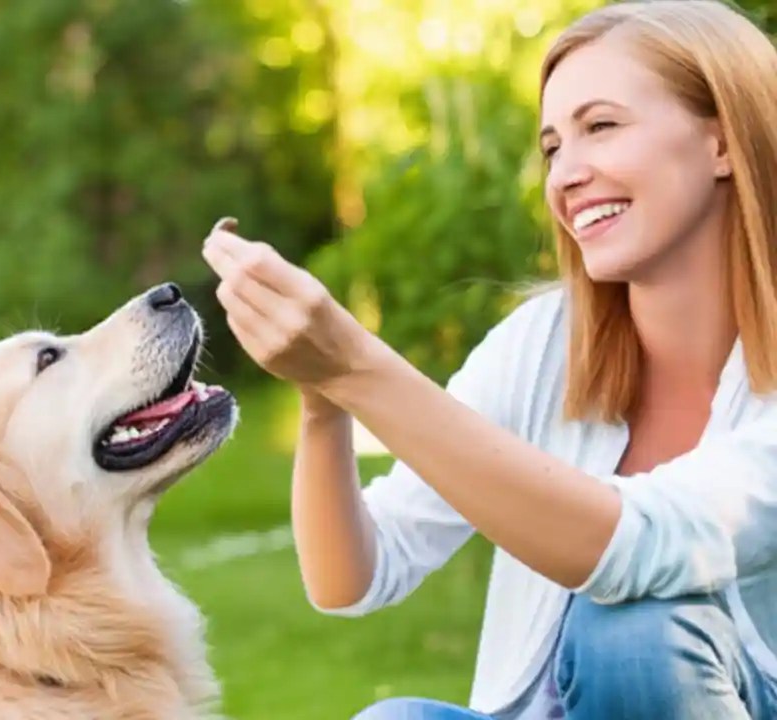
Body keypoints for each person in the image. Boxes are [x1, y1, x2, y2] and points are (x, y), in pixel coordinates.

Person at [201, 1, 777, 718]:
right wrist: (324, 397)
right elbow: (354, 574)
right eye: (552, 147)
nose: (566, 174)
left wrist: (359, 365)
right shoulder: (542, 343)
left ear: (724, 142)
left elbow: (634, 550)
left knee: (633, 629)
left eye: (601, 126)